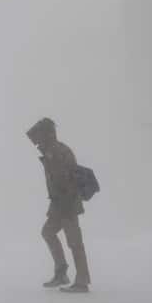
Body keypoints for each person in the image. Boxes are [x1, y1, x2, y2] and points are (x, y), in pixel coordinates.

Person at [27, 117, 91, 293]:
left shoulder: (58, 151)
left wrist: (65, 204)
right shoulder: (51, 150)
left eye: (39, 135)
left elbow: (67, 181)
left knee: (74, 242)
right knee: (48, 232)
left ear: (47, 134)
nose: (36, 140)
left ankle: (82, 281)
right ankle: (61, 273)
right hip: (58, 203)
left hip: (68, 203)